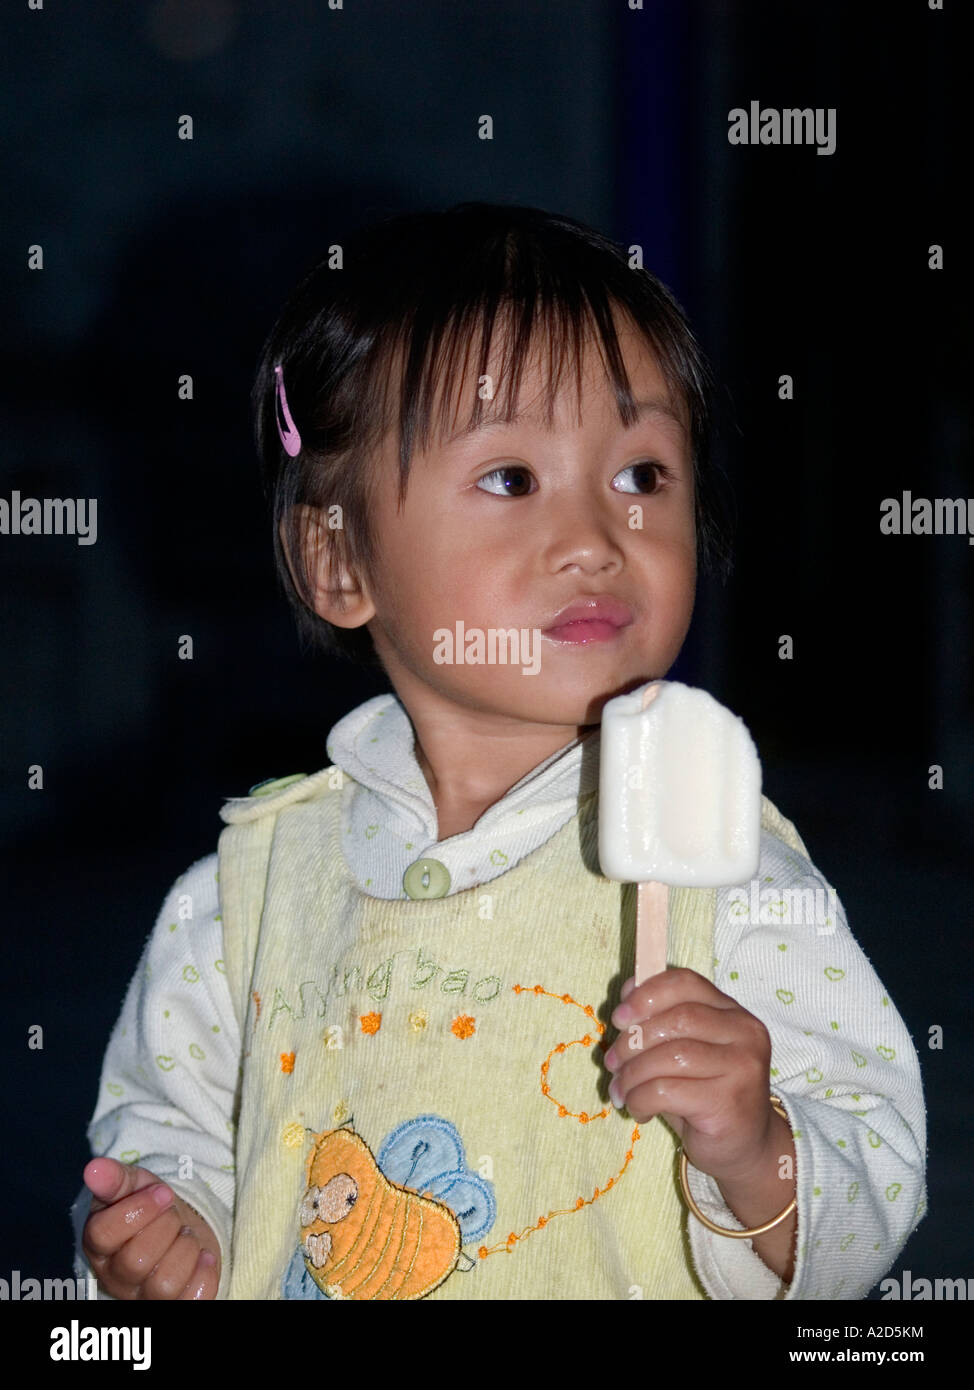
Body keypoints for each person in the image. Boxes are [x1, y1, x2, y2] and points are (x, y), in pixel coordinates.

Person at [71, 203, 926, 1300]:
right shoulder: (244, 895)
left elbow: (875, 1195)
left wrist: (757, 1152)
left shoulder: (733, 877)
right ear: (337, 561)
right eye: (511, 477)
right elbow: (167, 1138)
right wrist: (164, 1232)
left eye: (641, 474)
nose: (592, 538)